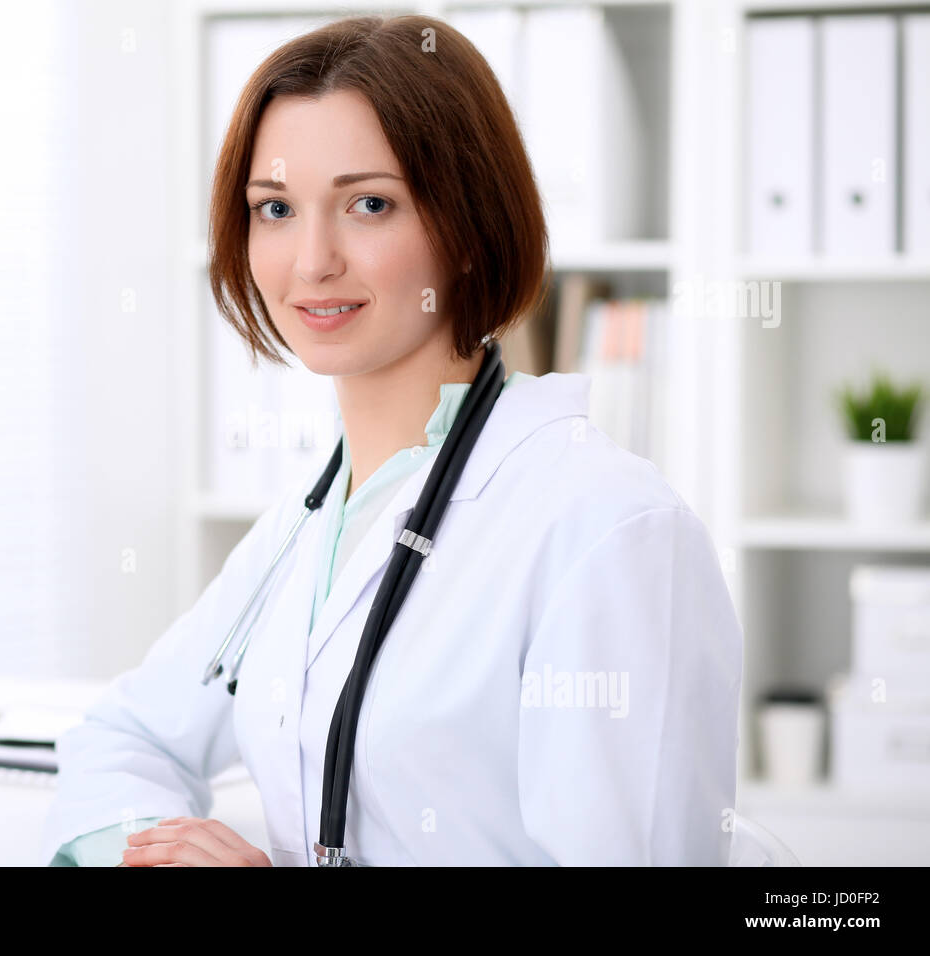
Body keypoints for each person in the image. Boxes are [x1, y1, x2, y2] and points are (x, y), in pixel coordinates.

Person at [41, 13, 741, 867]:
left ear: (469, 226)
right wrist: (148, 850)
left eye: (369, 204)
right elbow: (126, 734)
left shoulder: (610, 531)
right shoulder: (315, 522)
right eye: (275, 209)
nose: (311, 261)